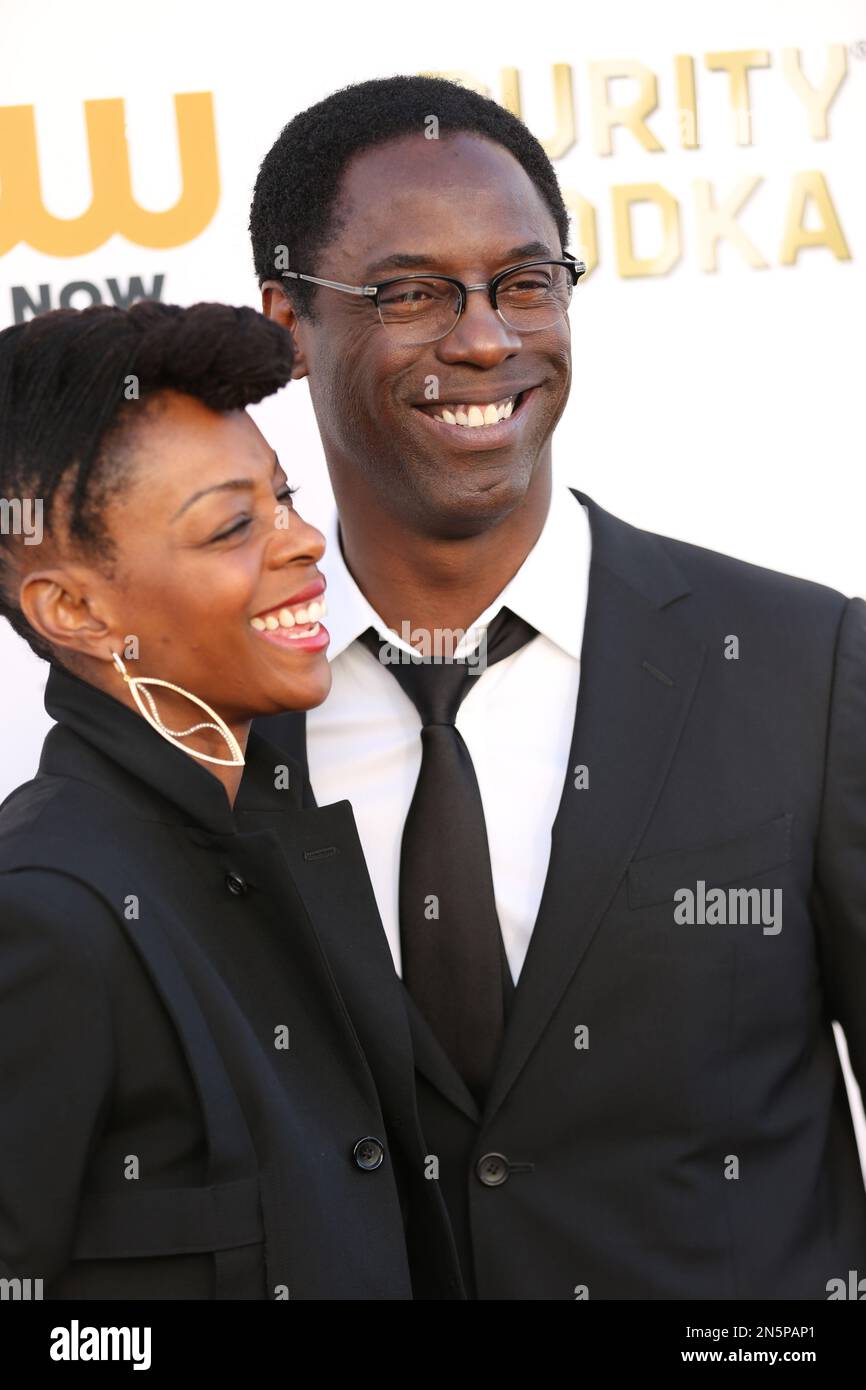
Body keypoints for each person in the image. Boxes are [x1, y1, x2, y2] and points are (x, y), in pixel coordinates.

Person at [250, 75, 866, 1300]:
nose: (484, 339)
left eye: (524, 282)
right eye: (411, 292)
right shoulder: (214, 708)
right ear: (287, 322)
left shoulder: (805, 668)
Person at [0, 300, 462, 1300]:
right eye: (230, 526)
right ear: (74, 609)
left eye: (284, 498)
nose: (303, 543)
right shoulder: (44, 910)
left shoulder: (269, 829)